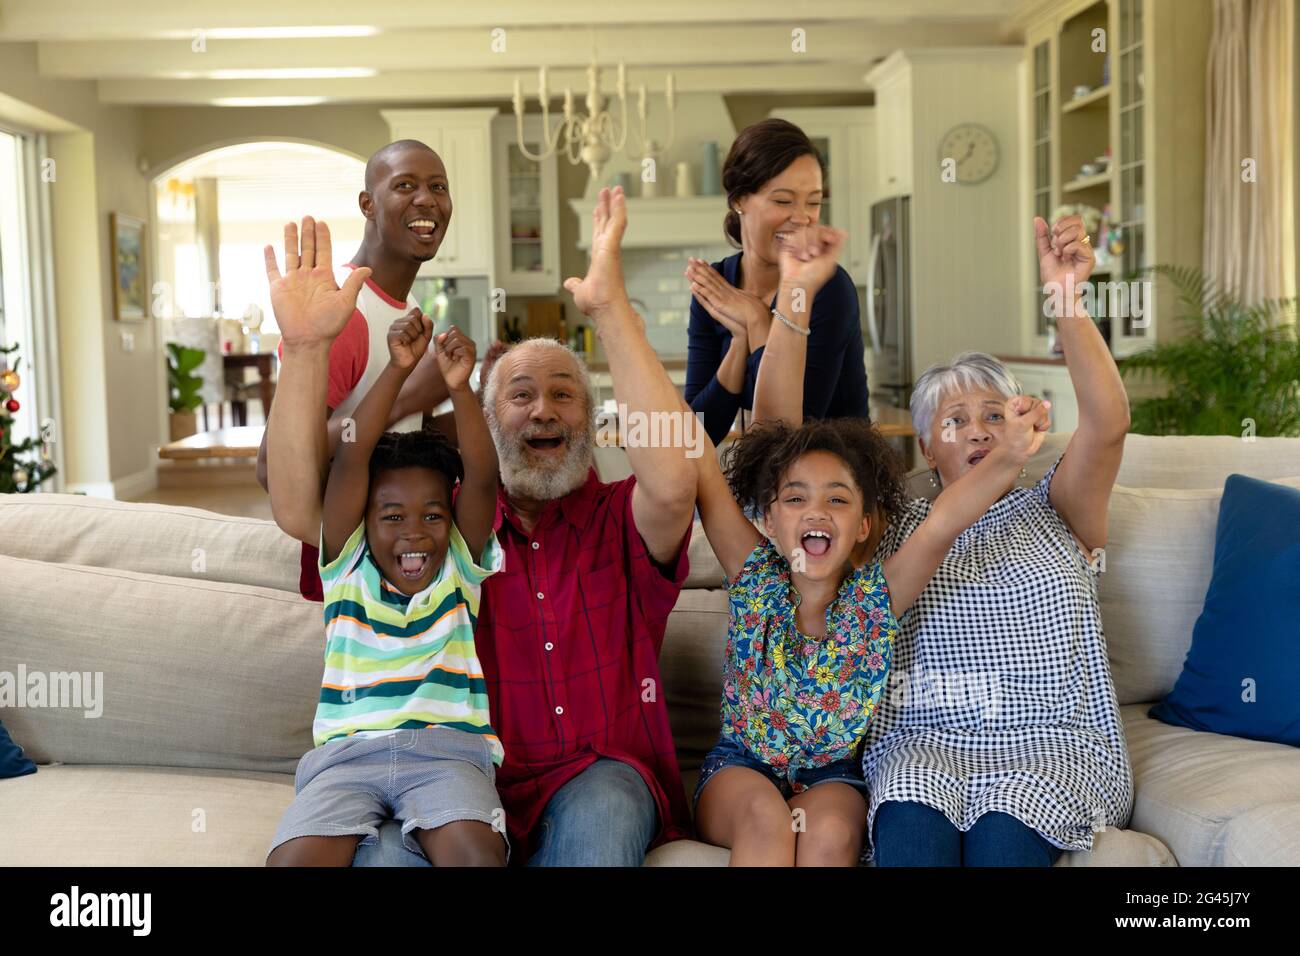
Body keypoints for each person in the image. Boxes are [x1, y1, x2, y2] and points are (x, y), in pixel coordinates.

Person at [266, 187, 700, 866]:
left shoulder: (620, 518)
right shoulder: (433, 528)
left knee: (609, 806)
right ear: (489, 424)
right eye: (520, 394)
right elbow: (298, 506)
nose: (543, 411)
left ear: (591, 422)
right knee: (380, 860)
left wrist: (611, 311)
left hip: (592, 778)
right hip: (448, 784)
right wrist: (304, 350)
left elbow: (676, 480)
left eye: (564, 394)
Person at [754, 213, 1134, 866]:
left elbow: (1107, 424)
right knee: (911, 842)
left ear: (1022, 426)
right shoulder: (889, 521)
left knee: (1004, 846)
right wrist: (794, 295)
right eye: (957, 420)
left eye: (995, 414)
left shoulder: (1056, 508)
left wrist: (1068, 298)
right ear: (927, 446)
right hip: (922, 742)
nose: (980, 430)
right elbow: (777, 456)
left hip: (1053, 745)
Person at [262, 220, 506, 866]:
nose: (414, 533)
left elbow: (482, 475)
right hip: (347, 756)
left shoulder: (459, 564)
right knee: (290, 862)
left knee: (481, 855)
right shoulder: (344, 565)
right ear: (365, 523)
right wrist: (398, 372)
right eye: (392, 516)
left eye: (431, 514)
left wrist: (460, 387)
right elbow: (349, 459)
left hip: (449, 752)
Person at [257, 139, 456, 602]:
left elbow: (396, 442)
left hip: (400, 557)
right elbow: (275, 466)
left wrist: (485, 406)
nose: (426, 198)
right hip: (347, 565)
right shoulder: (346, 316)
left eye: (438, 186)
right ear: (367, 204)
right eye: (405, 185)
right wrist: (408, 396)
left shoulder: (407, 309)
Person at [684, 118, 869, 446]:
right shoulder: (715, 287)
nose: (802, 217)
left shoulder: (828, 288)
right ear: (739, 199)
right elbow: (697, 433)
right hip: (764, 482)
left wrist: (756, 320)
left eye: (813, 202)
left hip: (838, 481)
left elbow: (791, 430)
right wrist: (739, 344)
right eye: (783, 201)